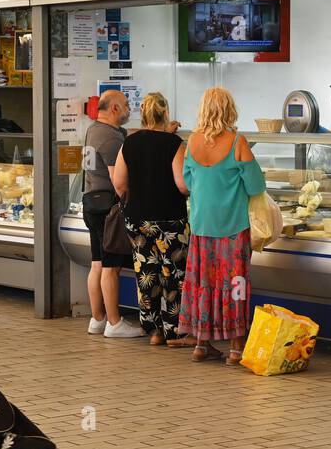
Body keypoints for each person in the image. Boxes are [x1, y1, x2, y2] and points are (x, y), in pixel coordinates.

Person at [173, 87, 265, 365]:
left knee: (203, 283)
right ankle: (236, 347)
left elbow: (188, 184)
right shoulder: (238, 142)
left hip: (201, 226)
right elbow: (256, 185)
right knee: (234, 285)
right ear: (229, 109)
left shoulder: (192, 141)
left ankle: (201, 343)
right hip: (233, 228)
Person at [112, 92, 196, 348]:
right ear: (166, 113)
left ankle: (154, 332)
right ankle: (176, 333)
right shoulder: (174, 144)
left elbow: (119, 183)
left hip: (138, 220)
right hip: (170, 220)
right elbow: (182, 185)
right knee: (173, 274)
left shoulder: (130, 143)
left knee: (146, 275)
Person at [82, 89, 143, 338]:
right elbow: (118, 179)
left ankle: (97, 319)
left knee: (97, 263)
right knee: (111, 268)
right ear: (115, 108)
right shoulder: (110, 139)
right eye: (126, 104)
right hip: (108, 208)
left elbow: (128, 137)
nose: (130, 108)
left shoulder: (94, 130)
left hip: (90, 202)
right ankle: (115, 323)